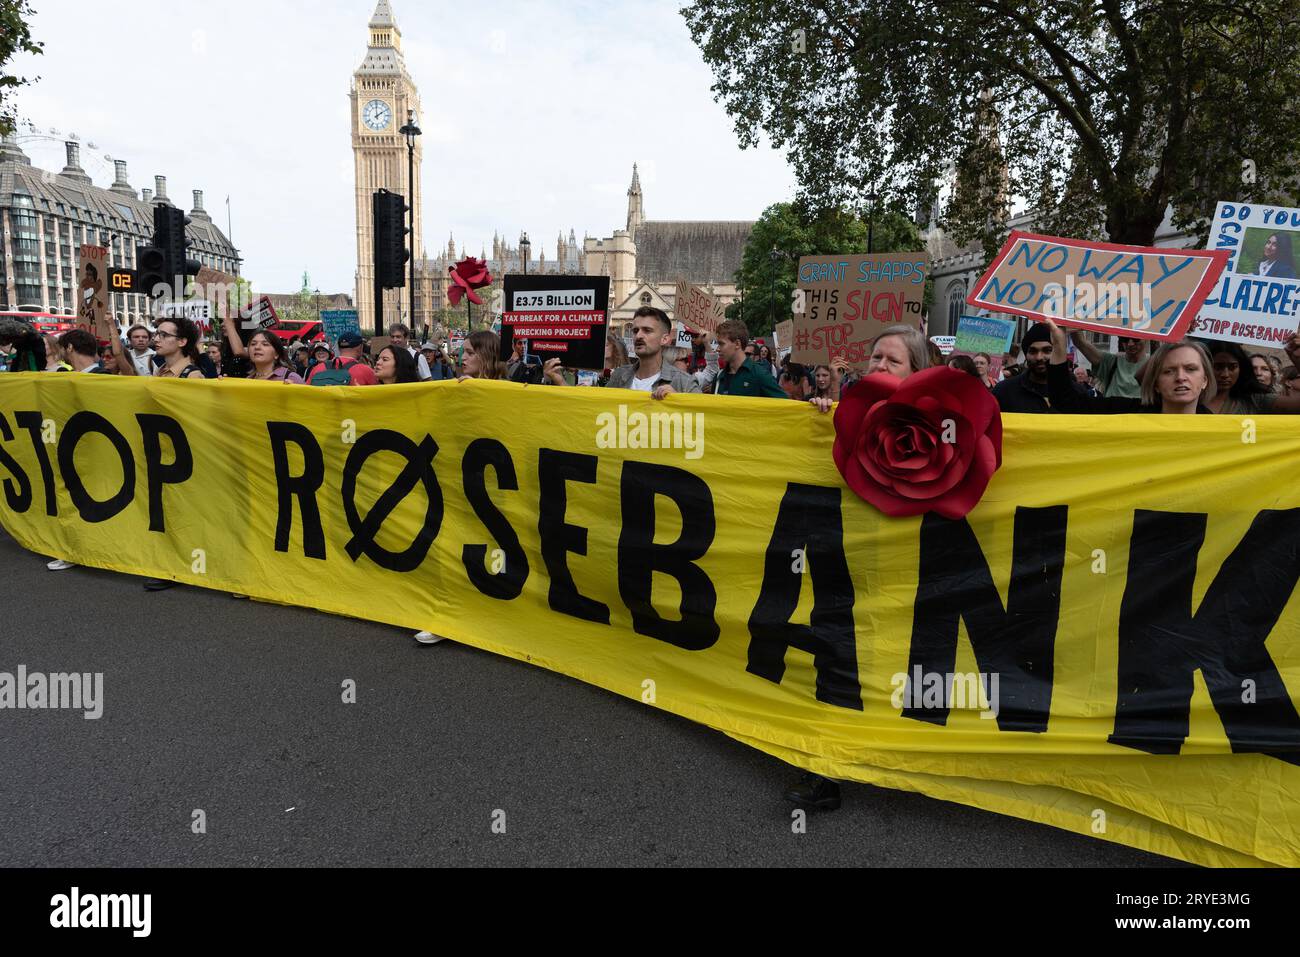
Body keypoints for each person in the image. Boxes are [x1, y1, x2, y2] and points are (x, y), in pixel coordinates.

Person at [606, 306, 700, 398]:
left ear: (664, 339)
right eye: (635, 331)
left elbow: (703, 412)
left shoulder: (685, 382)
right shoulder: (618, 376)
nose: (638, 336)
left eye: (647, 330)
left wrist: (678, 401)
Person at [992, 323, 1082, 413]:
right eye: (1033, 351)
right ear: (1026, 355)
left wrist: (1082, 344)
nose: (1039, 357)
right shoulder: (1004, 391)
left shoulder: (1076, 393)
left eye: (1047, 350)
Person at [1204, 340, 1284, 414]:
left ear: (1241, 368)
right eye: (1218, 367)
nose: (1225, 374)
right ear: (1206, 366)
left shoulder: (1255, 400)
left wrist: (1296, 357)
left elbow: (1295, 405)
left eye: (1232, 367)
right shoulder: (1194, 398)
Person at [714, 319, 785, 398]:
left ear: (737, 344)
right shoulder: (719, 377)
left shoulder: (759, 375)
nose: (718, 349)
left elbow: (785, 406)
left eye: (721, 344)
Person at [1069, 331, 1149, 398]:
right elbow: (1080, 342)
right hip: (1114, 415)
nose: (1130, 343)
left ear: (1146, 337)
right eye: (1125, 339)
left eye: (1135, 338)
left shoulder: (1154, 364)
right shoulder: (1111, 362)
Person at [306, 331, 378, 385]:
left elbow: (306, 393)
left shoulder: (317, 369)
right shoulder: (366, 371)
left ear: (339, 348)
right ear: (360, 347)